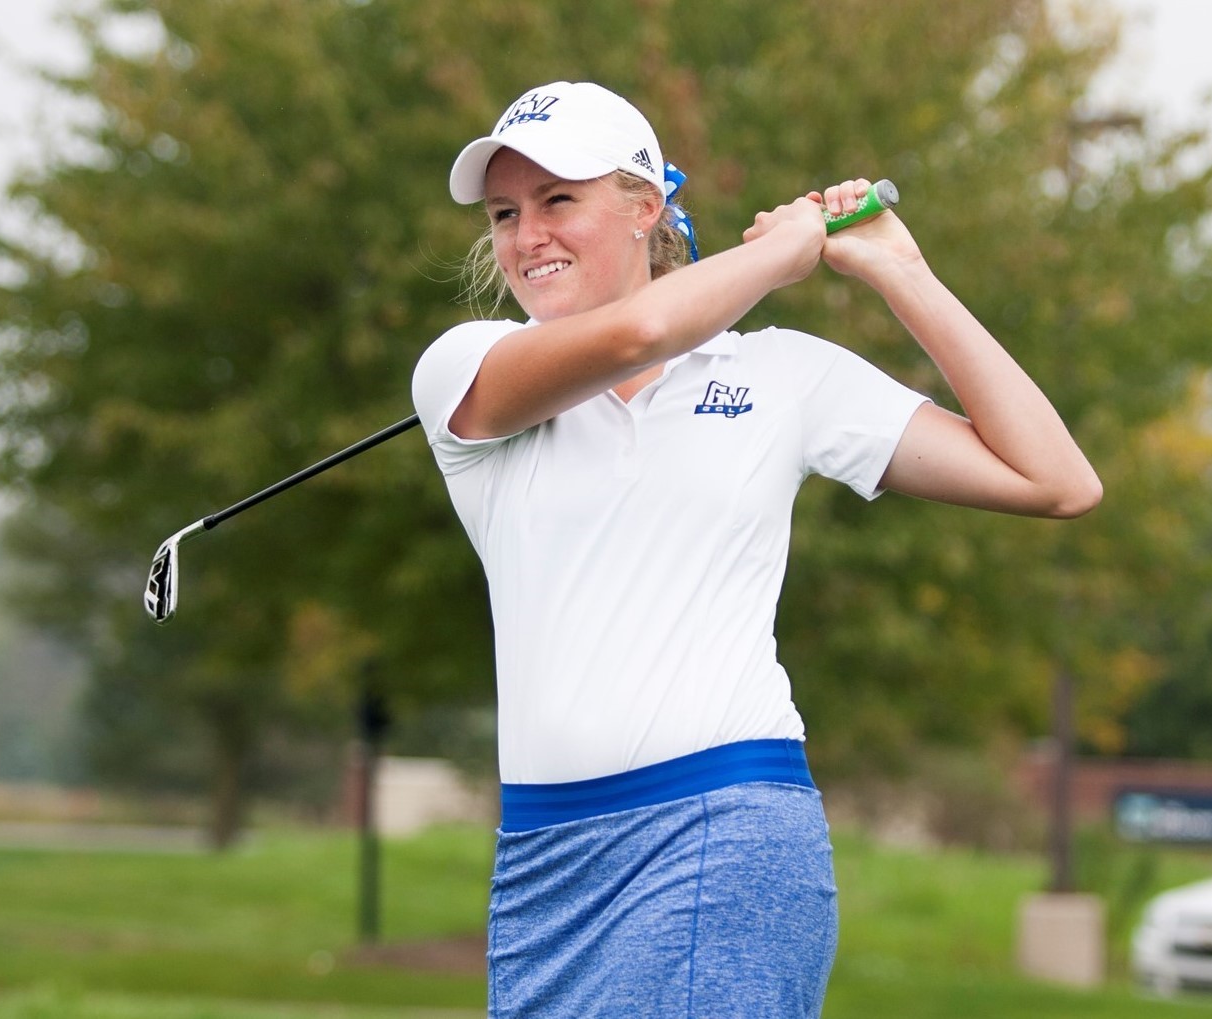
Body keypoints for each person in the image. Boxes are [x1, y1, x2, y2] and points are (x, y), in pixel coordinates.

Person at [410, 81, 1101, 1018]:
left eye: (558, 200)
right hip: (544, 863)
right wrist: (782, 254)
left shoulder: (777, 375)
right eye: (505, 212)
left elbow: (1056, 480)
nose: (528, 234)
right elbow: (647, 327)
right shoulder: (464, 369)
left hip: (723, 825)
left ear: (646, 206)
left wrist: (903, 274)